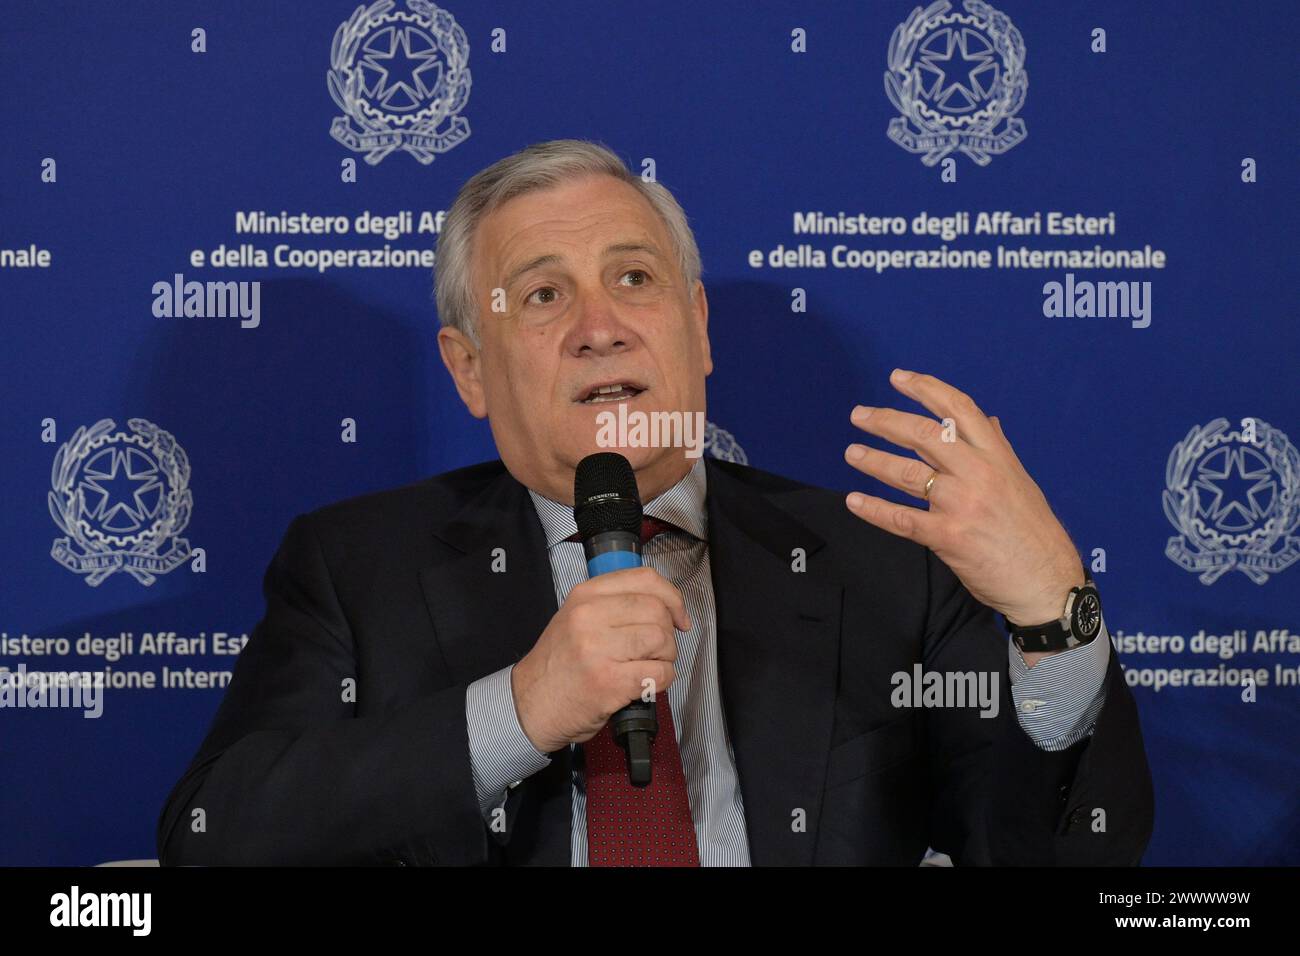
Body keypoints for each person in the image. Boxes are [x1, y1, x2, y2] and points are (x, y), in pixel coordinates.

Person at [157, 139, 1153, 866]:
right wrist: (520, 708)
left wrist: (1053, 621)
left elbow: (1060, 854)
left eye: (634, 277)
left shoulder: (880, 559)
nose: (601, 326)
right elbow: (215, 836)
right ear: (468, 368)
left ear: (698, 327)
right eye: (542, 295)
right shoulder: (354, 565)